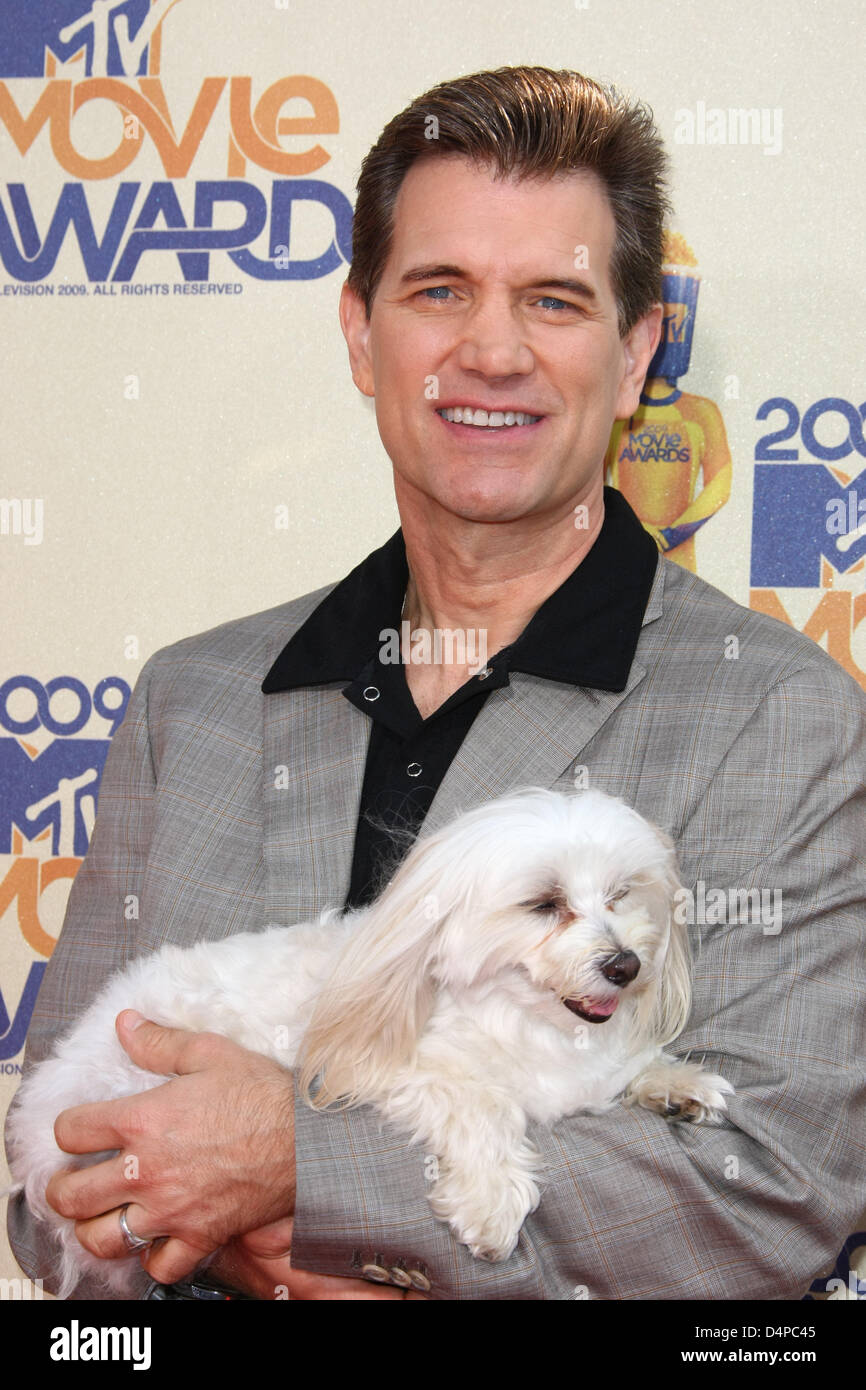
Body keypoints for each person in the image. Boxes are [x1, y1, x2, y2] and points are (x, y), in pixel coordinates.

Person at [6, 65, 865, 1302]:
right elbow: (54, 1171)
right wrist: (177, 1246)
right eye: (440, 289)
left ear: (634, 357)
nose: (493, 349)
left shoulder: (785, 722)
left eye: (554, 301)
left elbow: (774, 1173)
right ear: (362, 333)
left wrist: (308, 1179)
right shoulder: (190, 703)